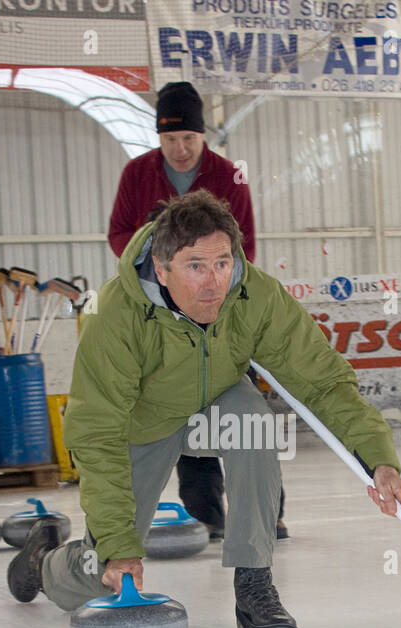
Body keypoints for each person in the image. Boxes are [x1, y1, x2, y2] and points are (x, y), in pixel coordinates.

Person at [12, 191, 401, 628]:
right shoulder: (115, 313)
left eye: (222, 263)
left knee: (254, 422)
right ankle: (44, 566)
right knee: (99, 569)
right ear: (162, 269)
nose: (214, 283)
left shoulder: (256, 295)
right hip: (141, 422)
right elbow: (97, 429)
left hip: (217, 399)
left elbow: (322, 381)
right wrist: (119, 547)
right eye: (195, 266)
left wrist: (379, 458)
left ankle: (254, 584)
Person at [107, 81, 286, 541]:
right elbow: (118, 234)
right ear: (158, 138)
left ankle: (266, 513)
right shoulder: (136, 174)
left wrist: (218, 288)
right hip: (162, 313)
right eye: (170, 140)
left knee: (242, 406)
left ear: (203, 135)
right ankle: (206, 512)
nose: (180, 149)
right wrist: (157, 262)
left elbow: (245, 242)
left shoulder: (230, 175)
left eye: (188, 138)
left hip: (220, 310)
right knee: (184, 402)